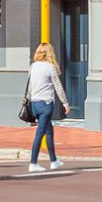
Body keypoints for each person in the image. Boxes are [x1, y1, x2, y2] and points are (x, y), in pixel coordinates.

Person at [26, 42, 70, 172]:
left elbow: (29, 87)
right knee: (40, 133)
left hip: (34, 103)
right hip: (46, 104)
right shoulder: (50, 67)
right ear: (50, 53)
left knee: (49, 131)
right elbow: (58, 87)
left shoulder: (33, 66)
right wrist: (65, 103)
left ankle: (54, 160)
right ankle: (33, 163)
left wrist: (29, 101)